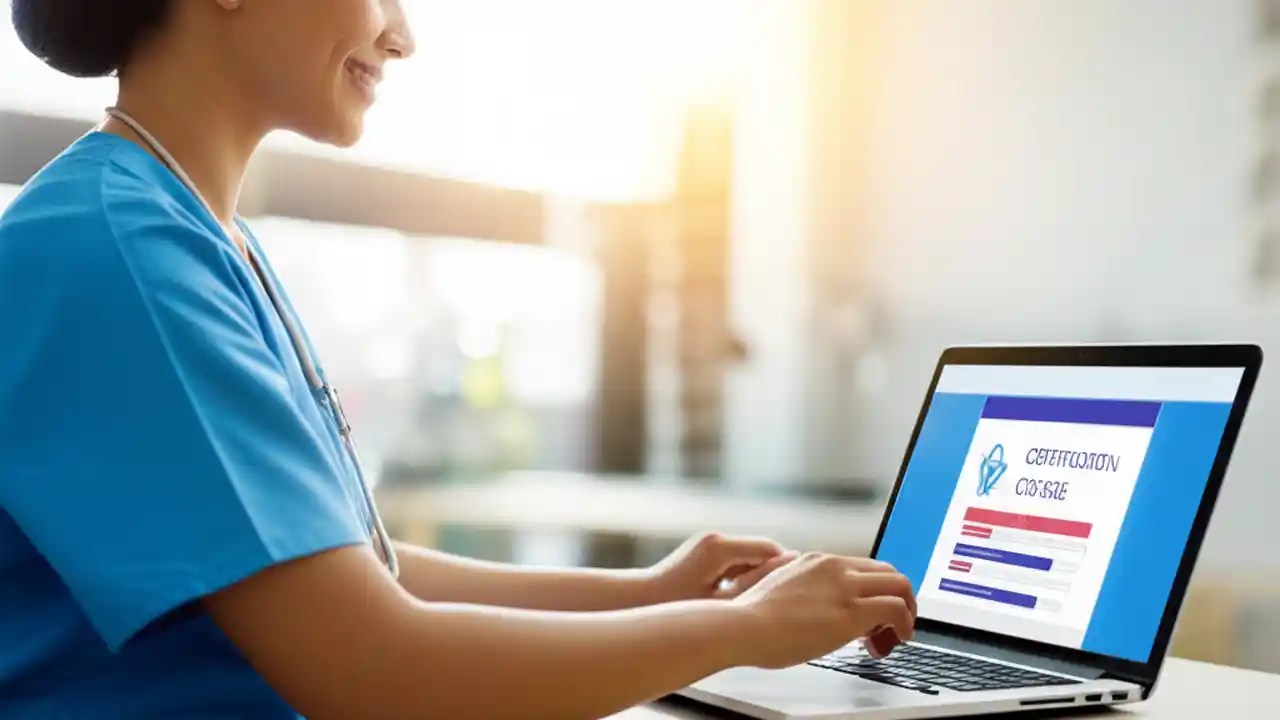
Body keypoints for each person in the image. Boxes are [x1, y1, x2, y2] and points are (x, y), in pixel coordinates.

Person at [0, 1, 917, 718]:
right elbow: (369, 669)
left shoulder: (187, 232)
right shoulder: (120, 251)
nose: (402, 36)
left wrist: (642, 592)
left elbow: (354, 569)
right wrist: (738, 630)